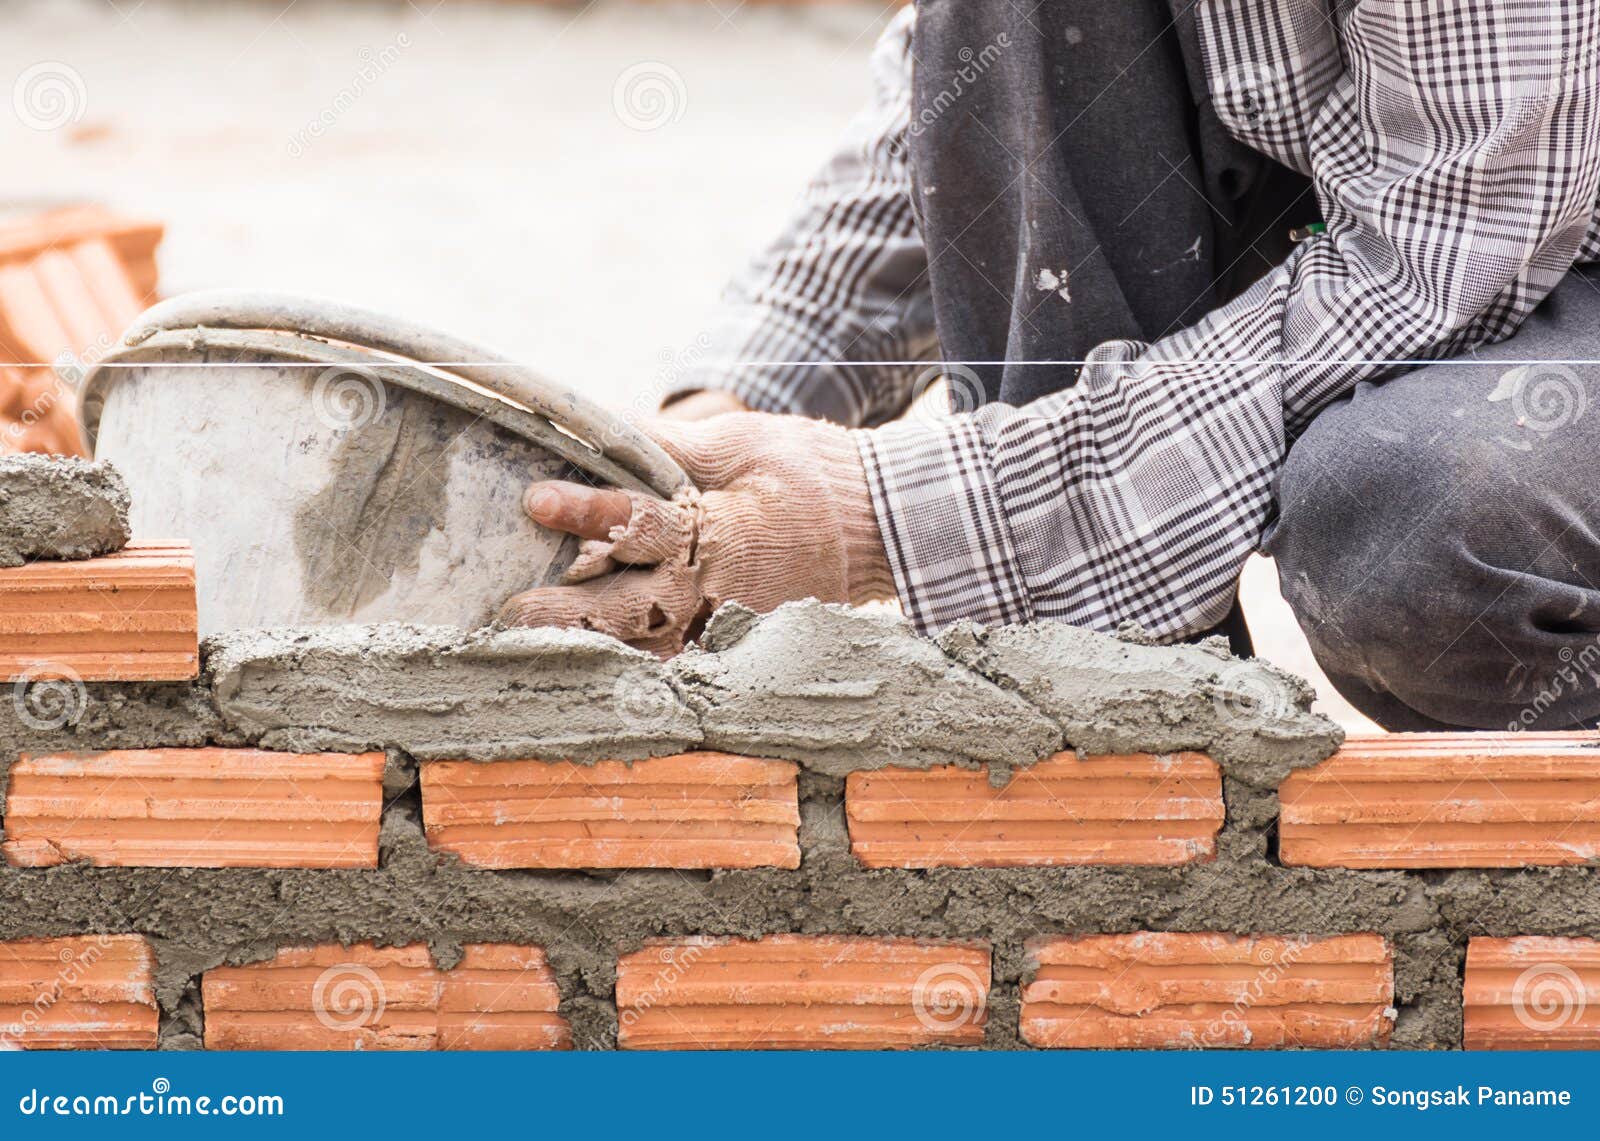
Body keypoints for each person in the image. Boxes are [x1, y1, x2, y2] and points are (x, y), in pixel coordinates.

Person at [501, 0, 1600, 734]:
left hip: (1509, 238)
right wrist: (703, 436)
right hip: (1425, 219)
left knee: (1409, 533)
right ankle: (1103, 705)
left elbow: (1446, 245)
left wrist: (872, 521)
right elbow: (971, 100)